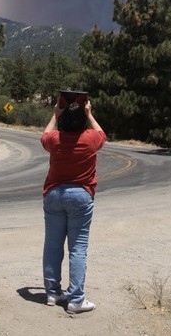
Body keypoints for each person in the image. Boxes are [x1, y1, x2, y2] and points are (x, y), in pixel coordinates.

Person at [41, 90, 106, 314]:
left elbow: (44, 135)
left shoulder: (54, 140)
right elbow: (101, 132)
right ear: (82, 123)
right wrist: (89, 114)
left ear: (63, 121)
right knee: (77, 248)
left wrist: (55, 115)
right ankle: (76, 299)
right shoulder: (90, 140)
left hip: (54, 195)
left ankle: (52, 292)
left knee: (52, 244)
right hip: (81, 196)